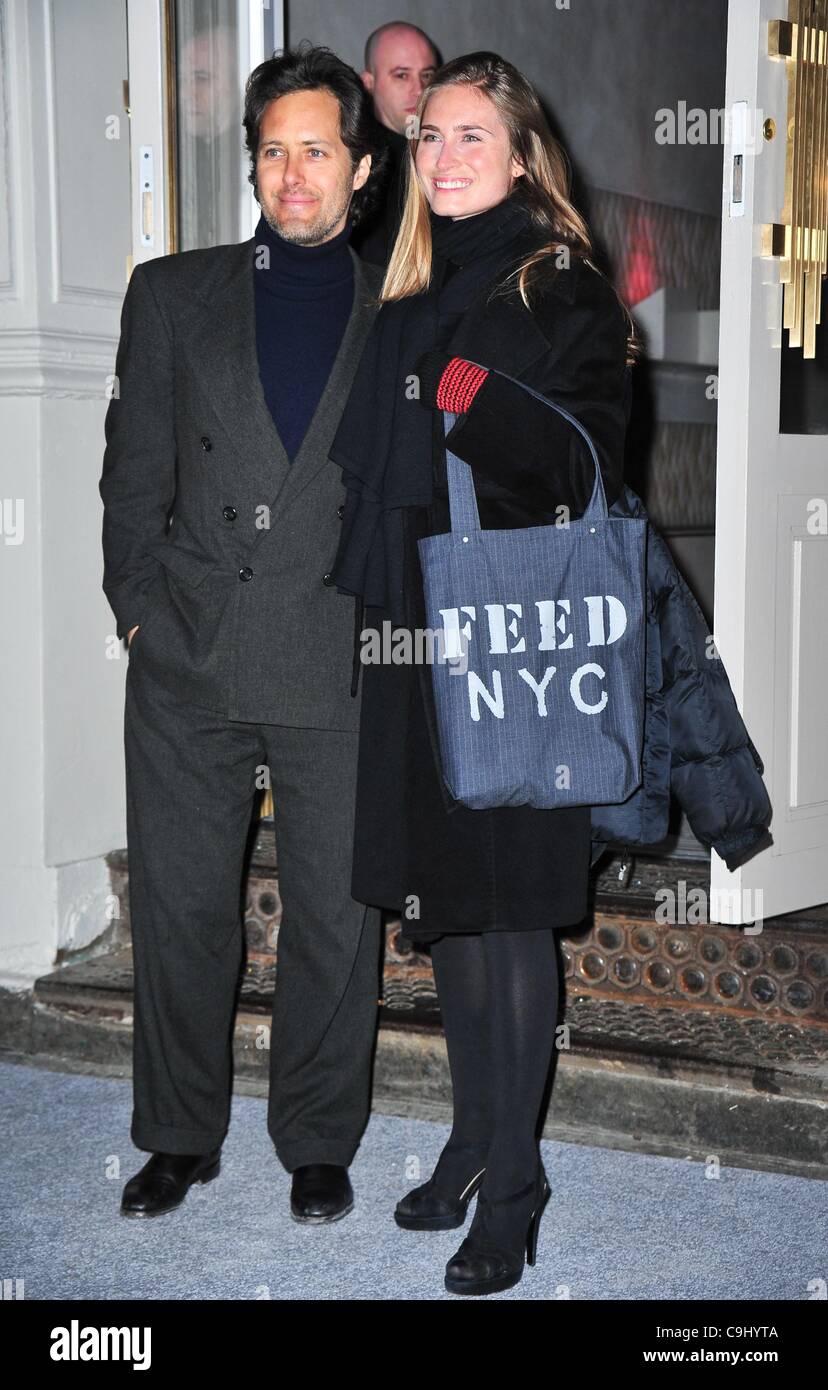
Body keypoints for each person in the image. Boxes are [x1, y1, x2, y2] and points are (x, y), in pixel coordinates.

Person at [329, 50, 637, 1295]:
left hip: (513, 631)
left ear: (520, 153)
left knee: (507, 910)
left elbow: (580, 467)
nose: (444, 159)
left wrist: (463, 390)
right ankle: (472, 1138)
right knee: (452, 902)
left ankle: (515, 1186)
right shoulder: (404, 289)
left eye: (470, 137)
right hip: (413, 625)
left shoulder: (555, 283)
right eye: (428, 138)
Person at [99, 45, 388, 1225]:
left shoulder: (404, 308)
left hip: (336, 648)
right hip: (192, 647)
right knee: (180, 905)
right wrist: (135, 608)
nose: (293, 171)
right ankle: (178, 1133)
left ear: (361, 167)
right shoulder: (174, 292)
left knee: (334, 912)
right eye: (274, 149)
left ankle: (318, 1138)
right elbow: (131, 477)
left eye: (317, 149)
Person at [350, 20, 439, 265]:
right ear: (368, 83)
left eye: (427, 75)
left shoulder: (451, 155)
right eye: (402, 75)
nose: (419, 89)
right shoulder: (360, 167)